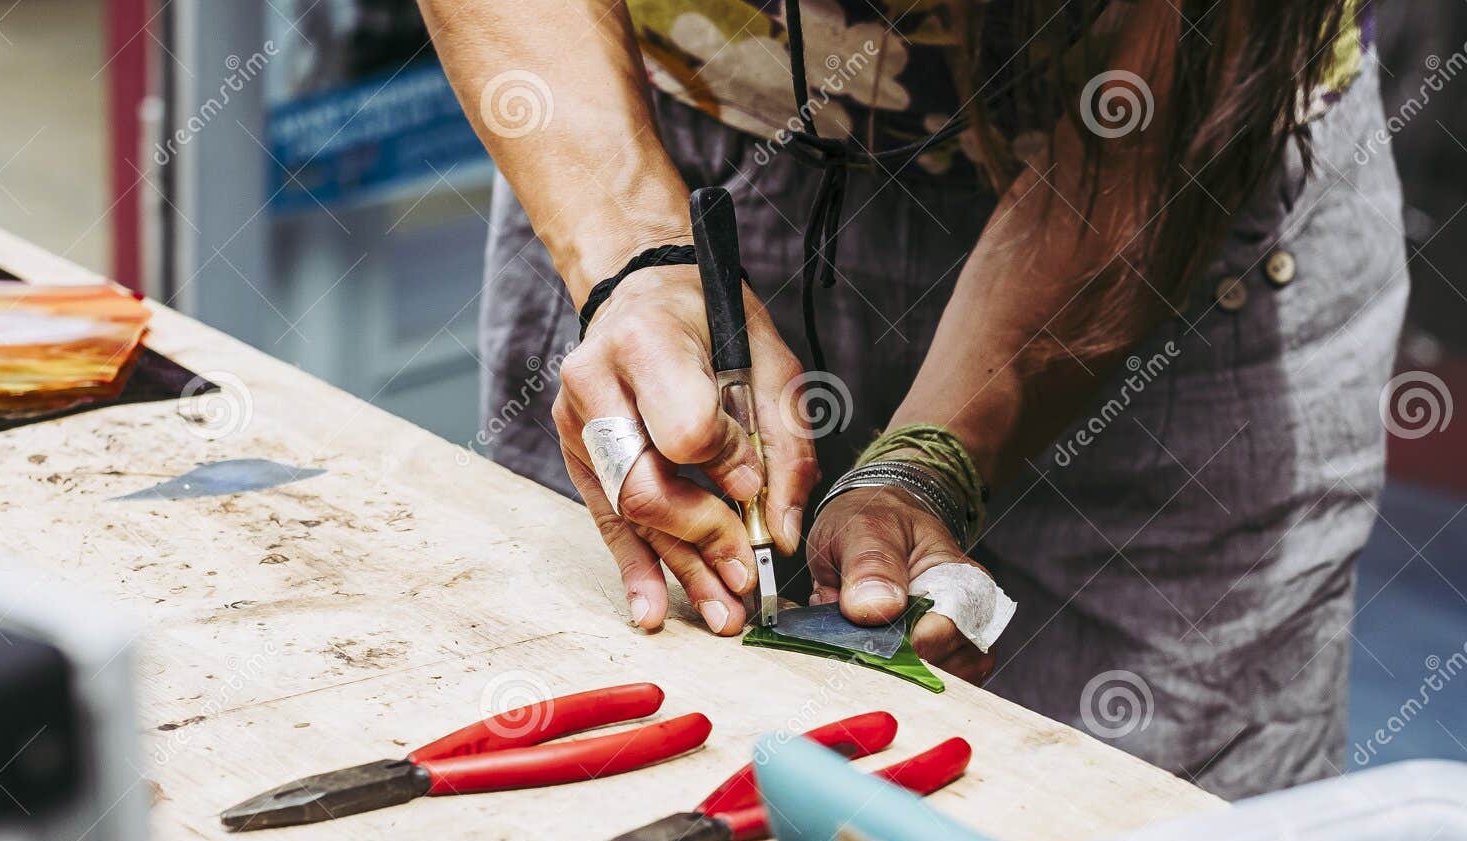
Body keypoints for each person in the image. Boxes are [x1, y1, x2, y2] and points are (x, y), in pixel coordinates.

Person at [420, 0, 1406, 799]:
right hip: (660, 138)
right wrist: (632, 251)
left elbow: (1145, 121)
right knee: (607, 813)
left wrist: (928, 458)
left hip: (1155, 201)